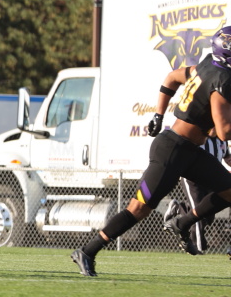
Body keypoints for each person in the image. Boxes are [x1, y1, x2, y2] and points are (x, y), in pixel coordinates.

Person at [72, 26, 231, 276]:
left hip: (189, 150)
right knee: (139, 209)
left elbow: (172, 77)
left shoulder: (206, 65)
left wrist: (159, 114)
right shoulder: (221, 78)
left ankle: (183, 222)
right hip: (172, 150)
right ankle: (87, 251)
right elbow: (223, 132)